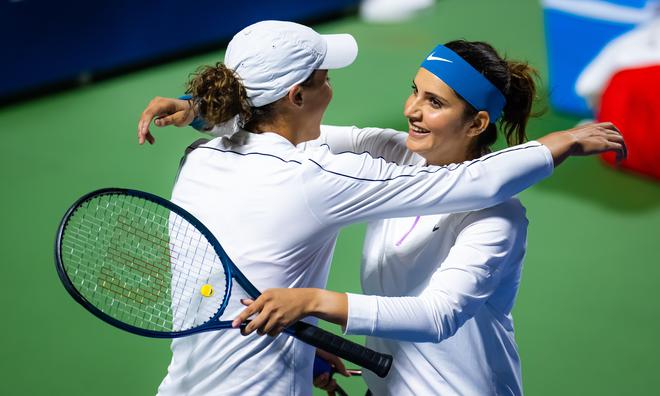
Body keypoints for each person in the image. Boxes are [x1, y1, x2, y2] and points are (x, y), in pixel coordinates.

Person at [137, 21, 625, 396]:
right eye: (415, 91)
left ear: (476, 122)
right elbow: (297, 132)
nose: (411, 109)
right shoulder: (347, 168)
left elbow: (438, 313)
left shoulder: (497, 216)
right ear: (298, 95)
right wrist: (559, 142)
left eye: (432, 100)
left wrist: (308, 307)